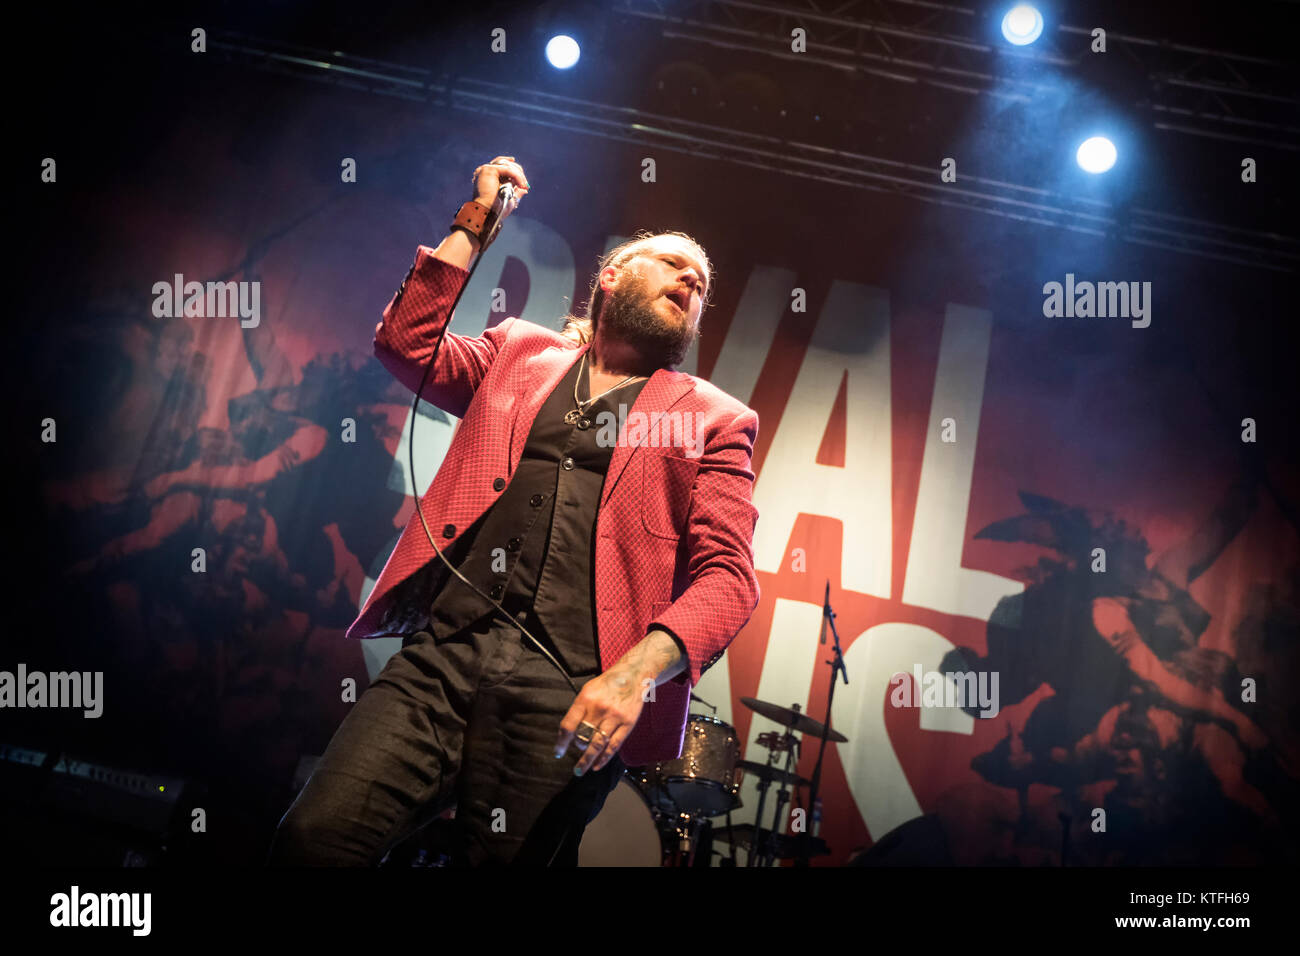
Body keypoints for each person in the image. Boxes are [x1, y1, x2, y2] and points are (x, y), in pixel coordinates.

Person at [268, 156, 761, 865]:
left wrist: (633, 676)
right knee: (313, 837)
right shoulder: (519, 352)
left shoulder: (715, 419)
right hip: (441, 660)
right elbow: (405, 344)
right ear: (611, 277)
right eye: (671, 263)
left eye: (701, 284)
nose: (692, 280)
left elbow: (729, 579)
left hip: (570, 696)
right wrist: (475, 228)